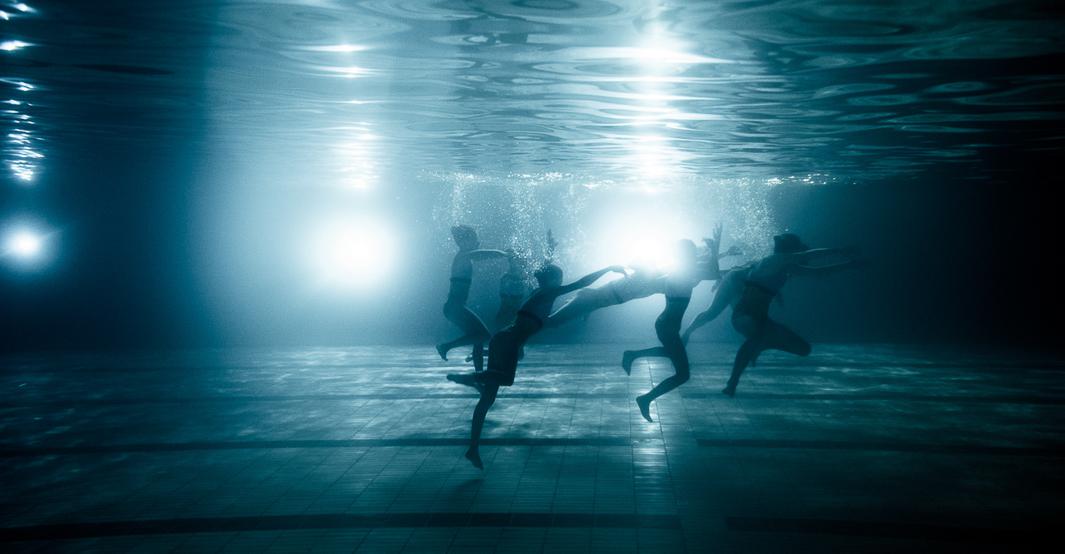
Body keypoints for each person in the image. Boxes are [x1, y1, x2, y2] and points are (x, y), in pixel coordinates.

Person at [447, 263, 627, 468]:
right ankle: (472, 378)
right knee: (506, 379)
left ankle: (473, 448)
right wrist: (607, 269)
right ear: (553, 280)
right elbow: (580, 283)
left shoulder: (539, 292)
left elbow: (548, 278)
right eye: (559, 278)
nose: (561, 283)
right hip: (508, 341)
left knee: (487, 399)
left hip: (505, 340)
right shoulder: (548, 291)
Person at [722, 233, 862, 397]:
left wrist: (849, 265)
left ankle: (764, 344)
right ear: (790, 251)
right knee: (757, 336)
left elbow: (818, 272)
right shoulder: (774, 260)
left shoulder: (785, 267)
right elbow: (808, 256)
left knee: (803, 349)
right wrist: (840, 251)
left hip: (762, 320)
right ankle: (732, 382)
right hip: (743, 316)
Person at [622, 228, 725, 423]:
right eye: (693, 252)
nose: (695, 255)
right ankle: (645, 398)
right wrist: (715, 246)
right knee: (683, 374)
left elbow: (710, 270)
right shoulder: (684, 272)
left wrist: (715, 248)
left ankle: (633, 355)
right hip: (667, 326)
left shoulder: (681, 270)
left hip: (666, 325)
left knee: (673, 354)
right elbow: (712, 272)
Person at [436, 225, 509, 372]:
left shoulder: (465, 257)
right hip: (454, 307)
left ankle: (479, 373)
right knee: (482, 335)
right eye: (474, 238)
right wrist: (503, 254)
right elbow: (482, 254)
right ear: (463, 242)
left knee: (479, 338)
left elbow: (479, 254)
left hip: (456, 307)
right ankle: (446, 346)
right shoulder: (462, 256)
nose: (477, 241)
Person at [545, 264, 665, 327]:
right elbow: (633, 263)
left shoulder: (651, 287)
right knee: (550, 322)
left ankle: (529, 326)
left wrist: (588, 311)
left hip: (590, 302)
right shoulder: (642, 276)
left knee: (553, 323)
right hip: (587, 298)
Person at [494, 250, 530, 331]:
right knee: (504, 317)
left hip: (514, 309)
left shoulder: (524, 276)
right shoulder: (506, 277)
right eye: (513, 260)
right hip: (508, 309)